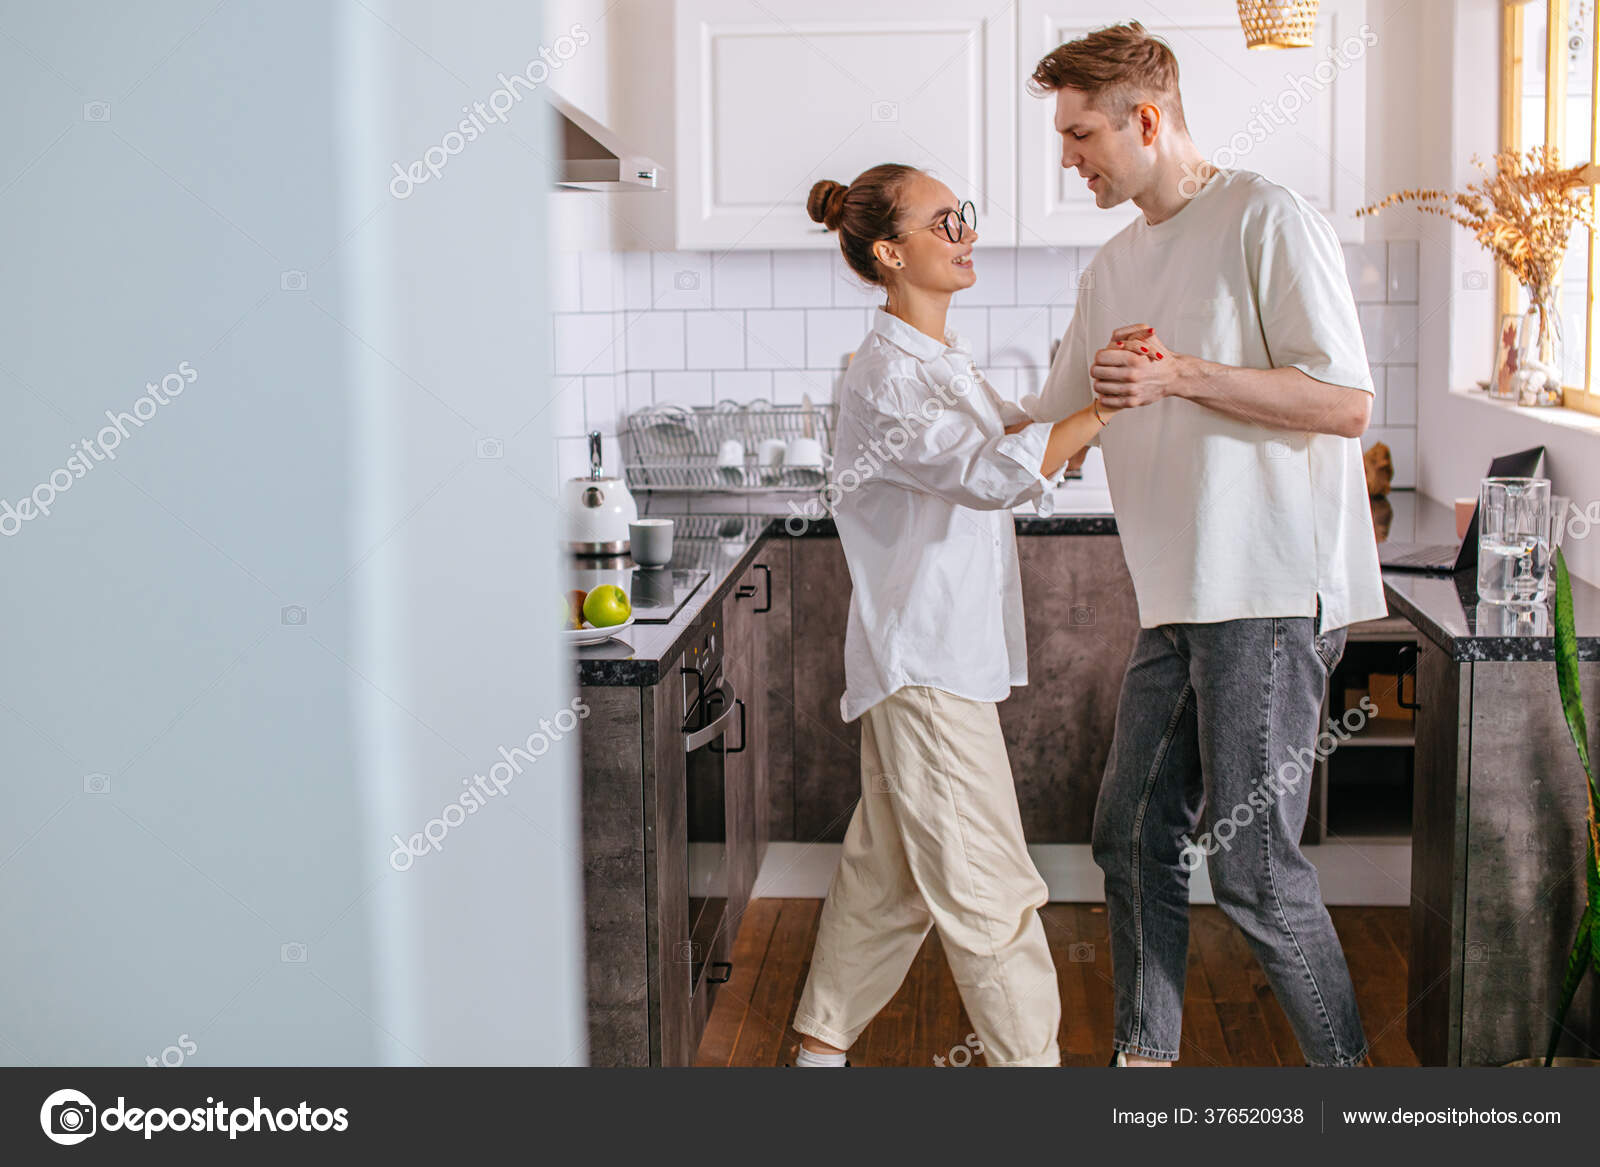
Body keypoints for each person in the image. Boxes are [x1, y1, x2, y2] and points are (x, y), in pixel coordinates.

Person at [1025, 22, 1386, 1067]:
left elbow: (1345, 402)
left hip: (1268, 595)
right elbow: (1044, 410)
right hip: (1177, 604)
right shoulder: (1114, 261)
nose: (1069, 156)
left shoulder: (1264, 218)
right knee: (1130, 838)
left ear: (1147, 119)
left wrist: (1181, 374)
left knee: (1255, 874)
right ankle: (1145, 1062)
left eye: (1081, 132)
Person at [788, 164, 1127, 1068]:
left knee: (891, 877)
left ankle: (818, 1052)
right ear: (891, 252)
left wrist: (1096, 388)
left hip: (934, 661)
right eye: (945, 222)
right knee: (990, 891)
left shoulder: (939, 364)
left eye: (963, 216)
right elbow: (992, 476)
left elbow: (1022, 436)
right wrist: (1104, 406)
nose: (965, 232)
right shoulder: (886, 379)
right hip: (928, 668)